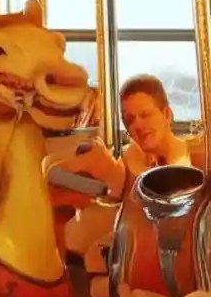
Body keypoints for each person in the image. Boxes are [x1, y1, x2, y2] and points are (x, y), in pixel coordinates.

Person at [53, 74, 191, 204]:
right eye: (130, 120)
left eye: (145, 115)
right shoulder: (129, 160)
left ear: (167, 114)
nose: (137, 125)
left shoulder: (196, 158)